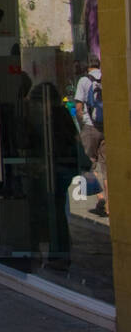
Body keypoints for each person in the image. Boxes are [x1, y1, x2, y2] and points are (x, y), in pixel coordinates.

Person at [74, 58, 107, 217]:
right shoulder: (106, 76)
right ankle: (109, 203)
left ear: (87, 66)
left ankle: (100, 197)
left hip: (90, 127)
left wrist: (82, 123)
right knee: (106, 166)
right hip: (106, 127)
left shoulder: (83, 81)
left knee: (89, 163)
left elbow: (78, 106)